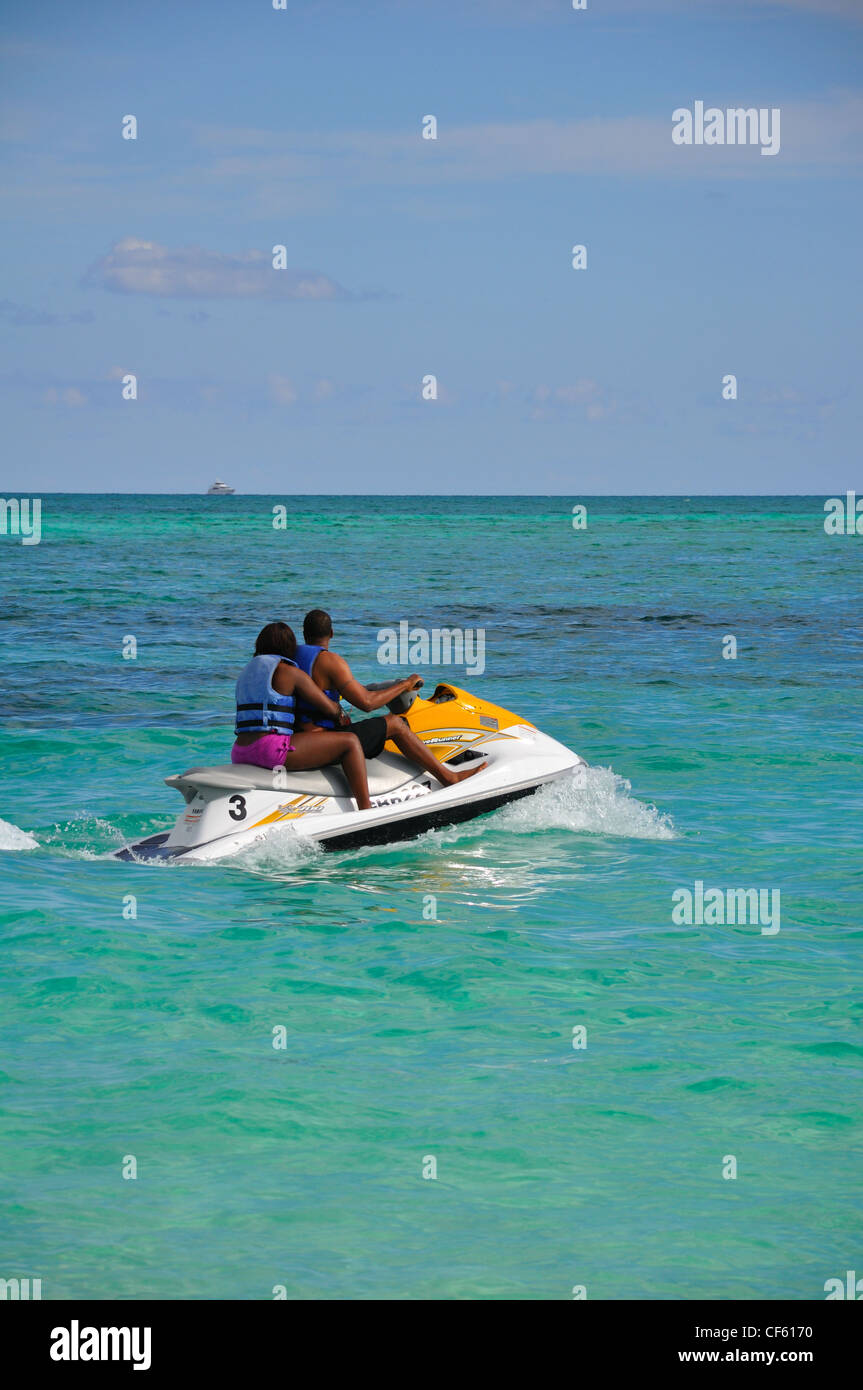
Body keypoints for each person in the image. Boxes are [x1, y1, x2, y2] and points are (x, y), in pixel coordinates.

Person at [294, 609, 484, 788]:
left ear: (304, 633)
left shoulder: (291, 657)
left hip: (301, 738)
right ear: (332, 633)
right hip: (326, 741)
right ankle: (449, 777)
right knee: (396, 723)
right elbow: (367, 703)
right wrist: (405, 684)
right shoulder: (331, 662)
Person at [233, 622, 372, 811]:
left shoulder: (247, 673)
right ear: (290, 647)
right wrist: (341, 713)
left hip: (240, 751)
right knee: (350, 742)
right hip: (269, 751)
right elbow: (330, 708)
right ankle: (366, 809)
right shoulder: (290, 673)